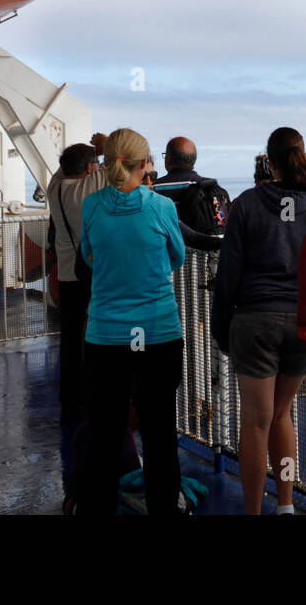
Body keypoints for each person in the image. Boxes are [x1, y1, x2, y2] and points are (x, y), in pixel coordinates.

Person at [217, 127, 306, 515]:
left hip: (253, 321)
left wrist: (221, 330)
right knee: (283, 415)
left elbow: (228, 273)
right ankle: (284, 506)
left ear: (269, 160)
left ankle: (252, 510)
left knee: (255, 422)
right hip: (303, 322)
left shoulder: (246, 204)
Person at [78, 127, 185, 515]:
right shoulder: (162, 208)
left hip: (106, 336)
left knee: (105, 434)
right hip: (158, 333)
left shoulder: (90, 207)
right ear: (144, 166)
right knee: (160, 434)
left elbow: (89, 257)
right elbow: (177, 257)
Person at [46, 137, 107, 425]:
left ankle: (69, 404)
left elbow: (64, 168)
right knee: (94, 339)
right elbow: (122, 162)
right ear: (89, 168)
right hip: (91, 276)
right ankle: (92, 401)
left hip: (67, 275)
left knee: (70, 340)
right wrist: (105, 145)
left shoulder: (55, 187)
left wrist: (93, 154)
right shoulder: (88, 188)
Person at [154, 136, 230, 240]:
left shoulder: (154, 189)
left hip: (169, 252)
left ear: (168, 159)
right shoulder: (211, 188)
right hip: (206, 252)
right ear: (193, 161)